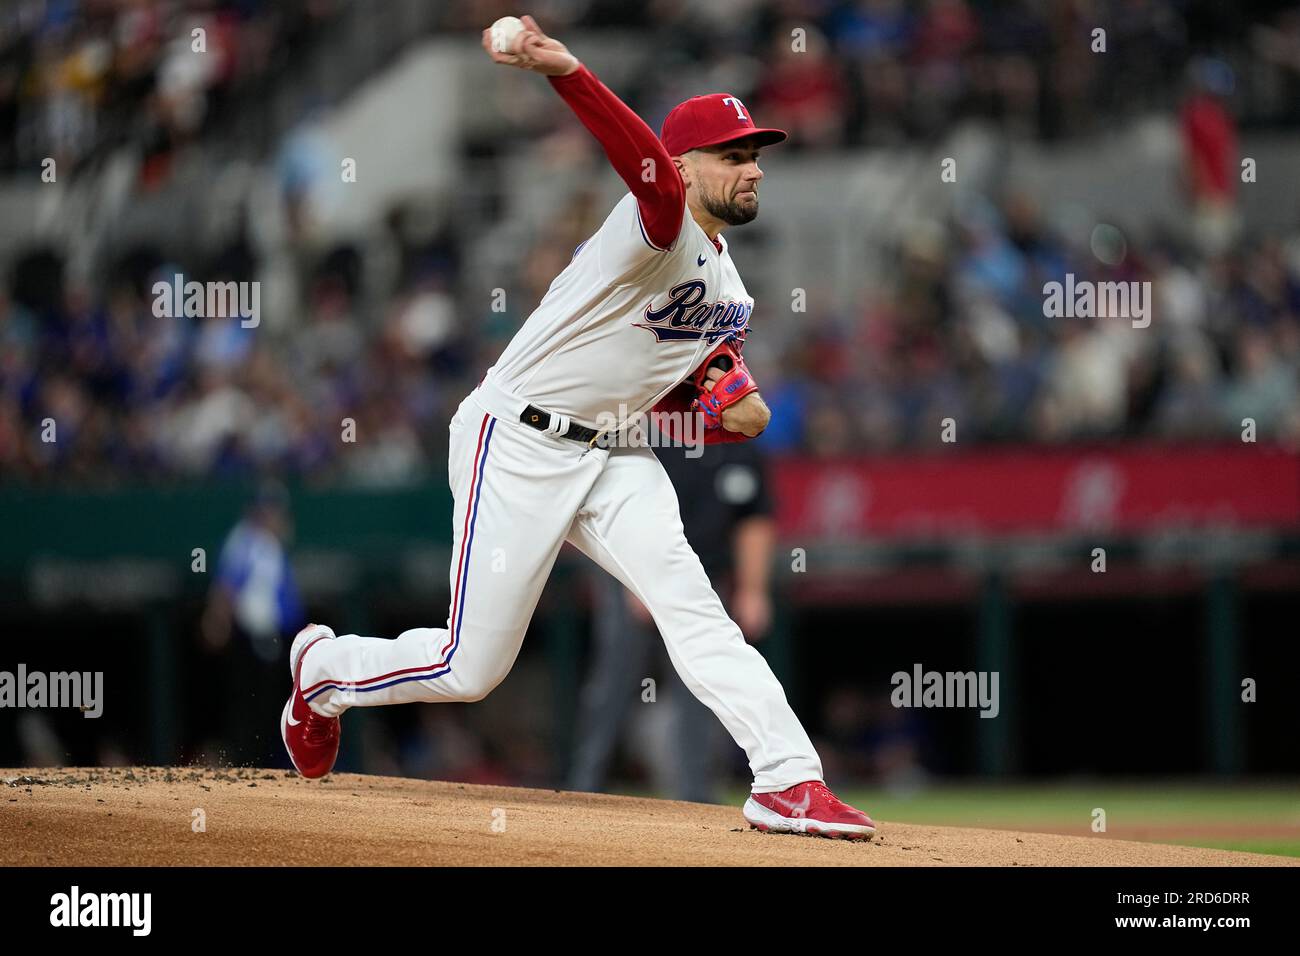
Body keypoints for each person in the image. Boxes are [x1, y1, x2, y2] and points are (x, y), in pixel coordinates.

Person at [280, 15, 875, 839]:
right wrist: (566, 70)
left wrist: (728, 413)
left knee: (695, 606)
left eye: (755, 156)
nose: (752, 170)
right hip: (513, 439)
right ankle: (323, 672)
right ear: (685, 163)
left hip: (610, 454)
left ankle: (786, 779)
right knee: (471, 669)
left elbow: (673, 394)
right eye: (733, 155)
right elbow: (645, 171)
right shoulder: (656, 224)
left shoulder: (731, 295)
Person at [568, 440, 776, 804]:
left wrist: (754, 588)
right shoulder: (644, 430)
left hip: (703, 580)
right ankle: (585, 787)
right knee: (614, 684)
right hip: (631, 574)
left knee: (702, 687)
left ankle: (694, 795)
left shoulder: (736, 445)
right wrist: (635, 579)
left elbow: (753, 519)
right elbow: (609, 511)